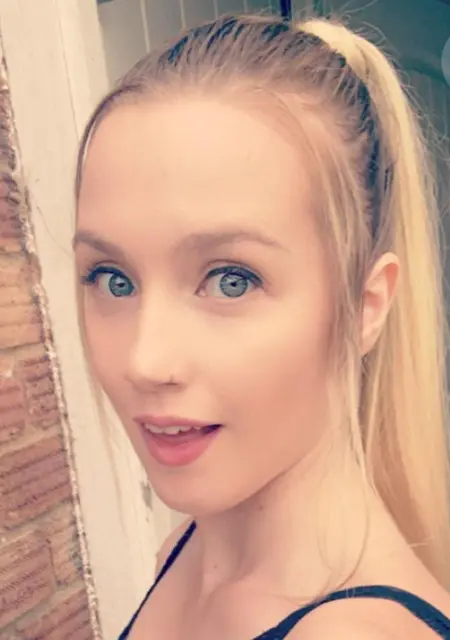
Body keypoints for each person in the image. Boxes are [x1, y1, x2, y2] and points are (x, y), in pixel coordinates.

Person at [72, 12, 450, 639]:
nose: (144, 360)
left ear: (366, 305)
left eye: (231, 279)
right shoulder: (184, 552)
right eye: (114, 279)